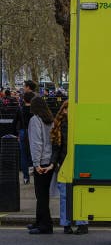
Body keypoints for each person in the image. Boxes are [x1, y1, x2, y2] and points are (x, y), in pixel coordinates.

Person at [50, 100, 87, 234]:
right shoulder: (60, 126)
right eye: (70, 109)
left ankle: (82, 223)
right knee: (65, 196)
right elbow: (56, 149)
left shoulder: (81, 125)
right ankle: (66, 224)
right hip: (64, 165)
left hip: (79, 164)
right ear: (64, 110)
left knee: (80, 194)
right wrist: (53, 164)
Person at [27, 96, 54, 234]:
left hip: (41, 162)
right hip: (49, 161)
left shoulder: (35, 120)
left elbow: (36, 143)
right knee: (43, 194)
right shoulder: (50, 120)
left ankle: (45, 225)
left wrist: (36, 163)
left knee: (41, 195)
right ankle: (39, 221)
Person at [13, 91, 34, 185]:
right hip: (33, 133)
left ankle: (26, 177)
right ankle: (34, 172)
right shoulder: (35, 109)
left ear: (24, 99)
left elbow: (14, 122)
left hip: (22, 132)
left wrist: (16, 134)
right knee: (34, 153)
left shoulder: (20, 109)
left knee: (23, 155)